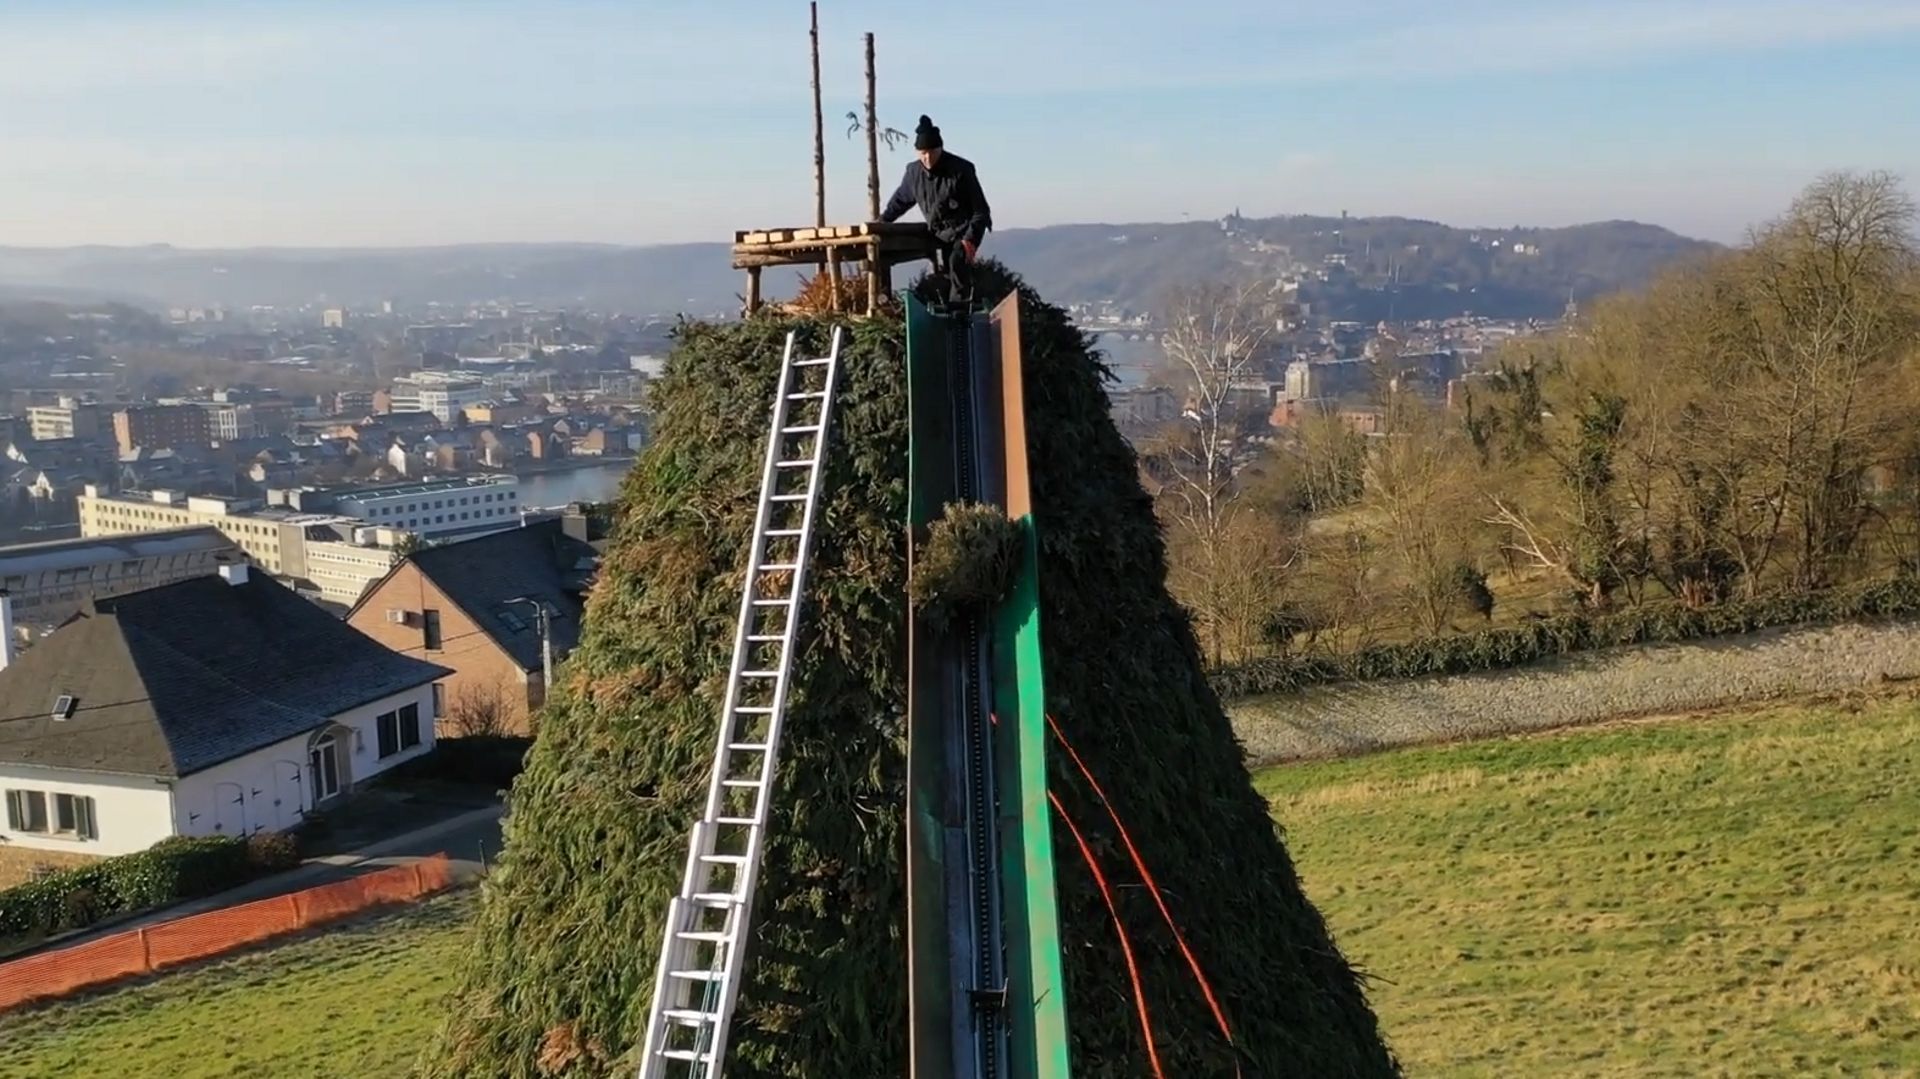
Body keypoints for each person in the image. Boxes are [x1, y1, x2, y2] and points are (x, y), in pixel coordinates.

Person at [878, 115, 992, 303]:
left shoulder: (961, 170)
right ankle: (935, 305)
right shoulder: (913, 173)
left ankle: (959, 313)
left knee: (956, 264)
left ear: (940, 149)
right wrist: (882, 222)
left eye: (932, 152)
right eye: (923, 153)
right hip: (936, 231)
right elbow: (900, 201)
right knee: (939, 273)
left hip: (962, 230)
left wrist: (970, 239)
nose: (928, 157)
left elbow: (981, 210)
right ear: (917, 152)